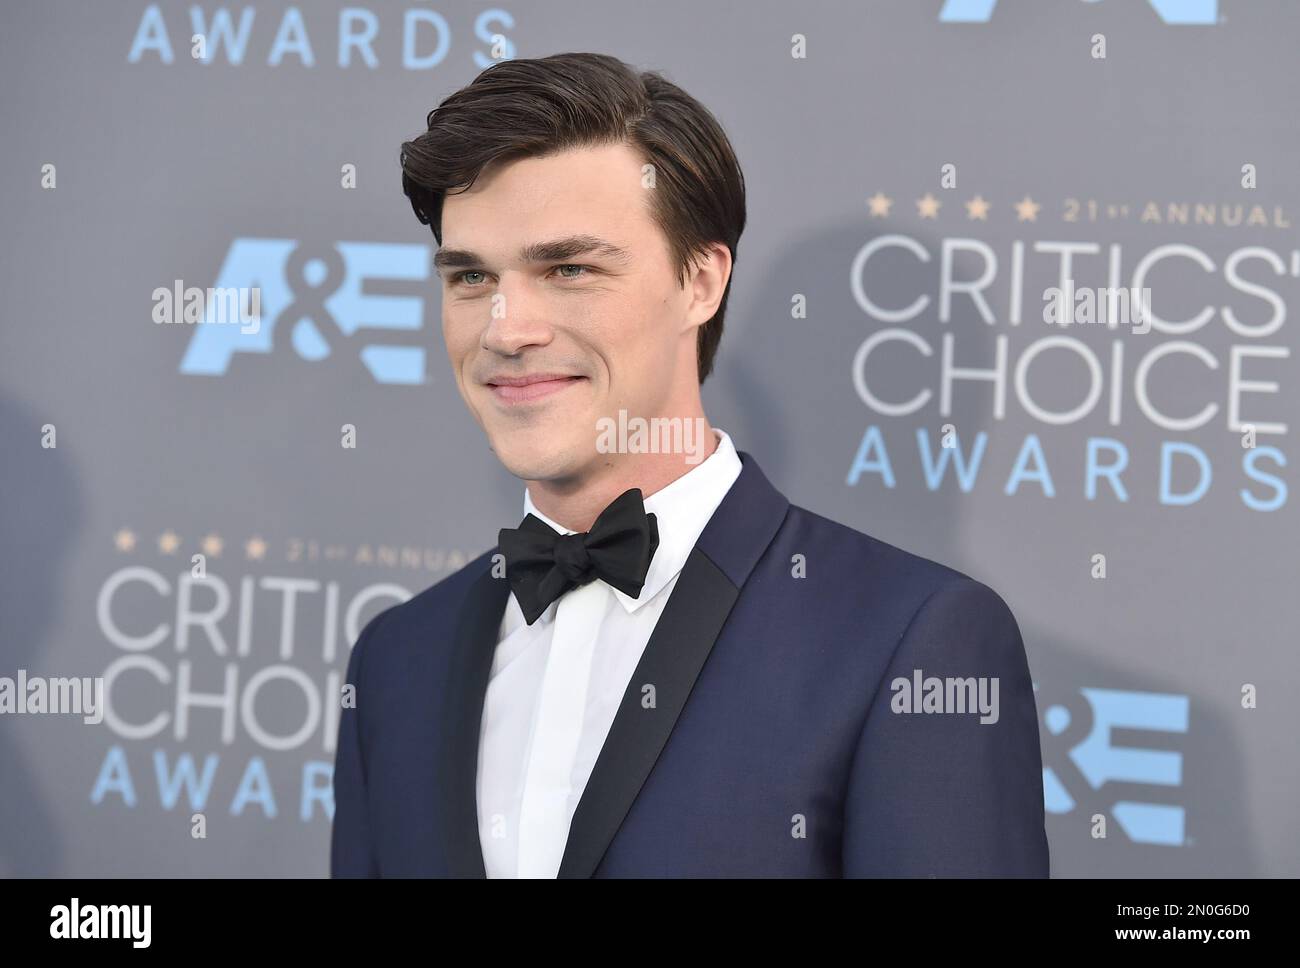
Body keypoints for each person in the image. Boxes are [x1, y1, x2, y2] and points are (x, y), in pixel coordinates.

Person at [330, 51, 1049, 878]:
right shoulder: (395, 658)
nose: (505, 327)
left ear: (699, 282)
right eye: (470, 276)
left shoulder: (910, 642)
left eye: (568, 269)